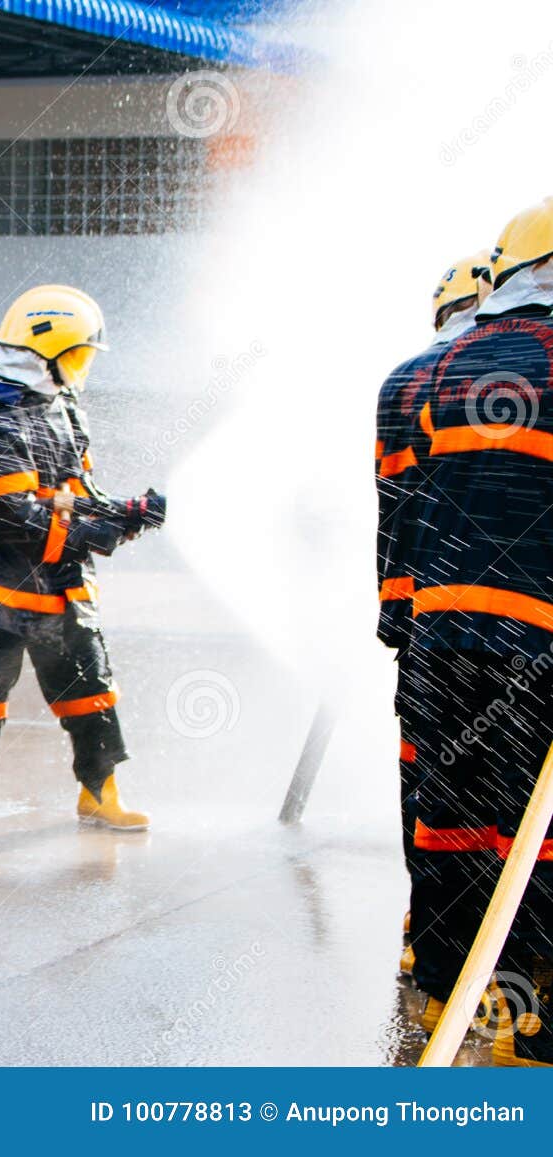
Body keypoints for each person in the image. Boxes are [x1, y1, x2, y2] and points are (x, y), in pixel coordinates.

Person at [0, 285, 163, 831]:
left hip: (61, 582)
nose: (82, 368)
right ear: (42, 348)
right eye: (77, 354)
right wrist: (89, 535)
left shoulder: (65, 409)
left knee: (90, 688)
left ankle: (101, 793)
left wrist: (128, 513)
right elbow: (11, 511)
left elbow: (79, 493)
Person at [403, 200, 553, 1066]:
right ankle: (533, 1025)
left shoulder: (440, 364)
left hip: (442, 637)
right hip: (536, 641)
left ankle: (451, 999)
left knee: (451, 820)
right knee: (539, 833)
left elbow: (411, 508)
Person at [374, 251, 490, 977]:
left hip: (430, 630)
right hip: (517, 629)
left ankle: (435, 939)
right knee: (504, 799)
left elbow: (398, 518)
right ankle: (510, 957)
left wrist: (400, 624)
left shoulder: (409, 379)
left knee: (434, 786)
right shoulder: (511, 369)